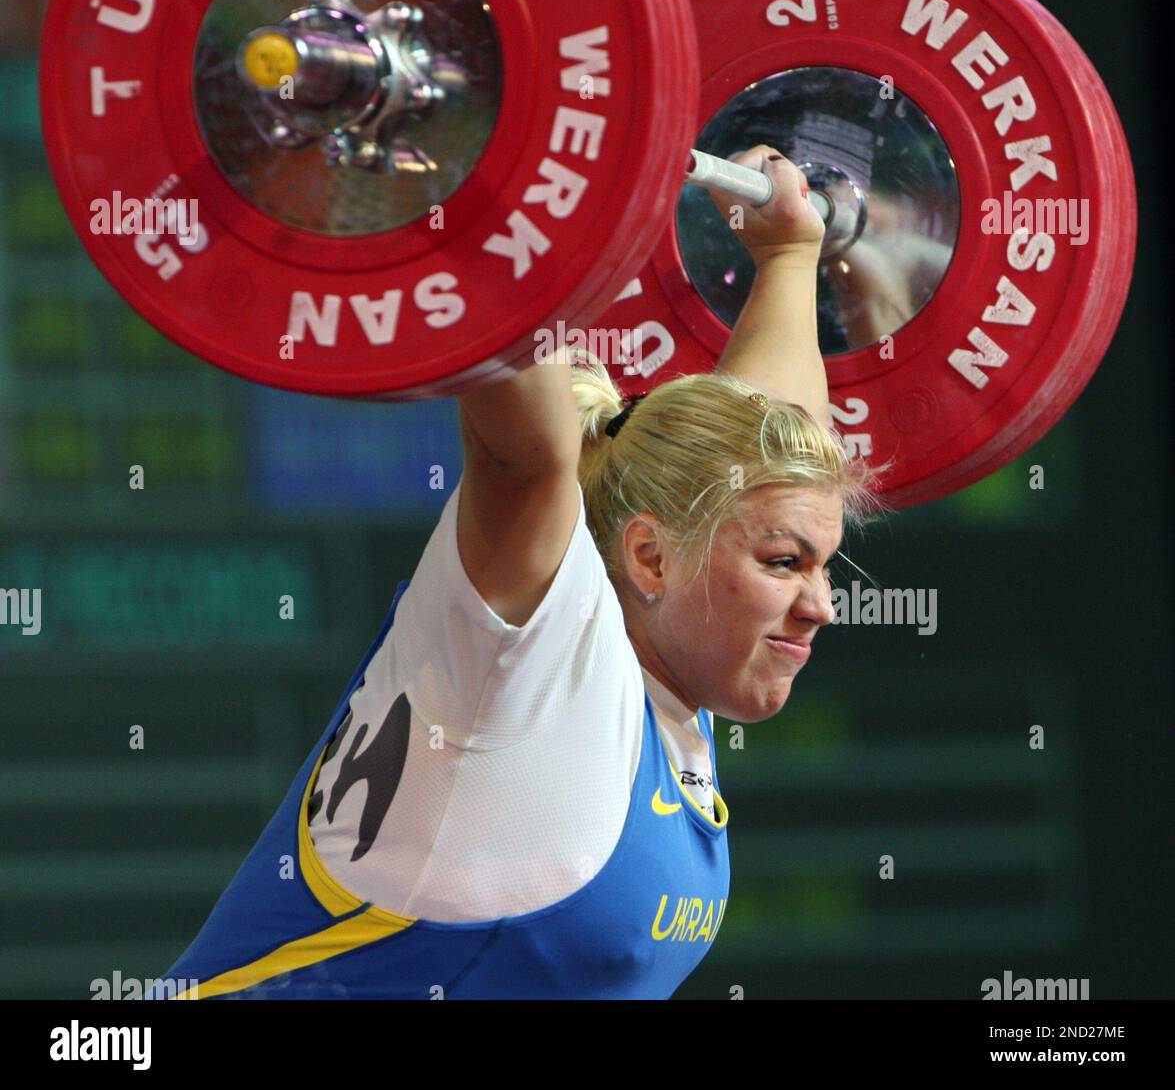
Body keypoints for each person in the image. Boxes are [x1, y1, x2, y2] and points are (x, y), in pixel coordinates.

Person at [152, 146, 876, 1000]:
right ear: (650, 556)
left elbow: (769, 442)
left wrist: (790, 254)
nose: (820, 606)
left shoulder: (679, 663)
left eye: (821, 567)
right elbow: (524, 460)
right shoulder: (528, 658)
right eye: (786, 566)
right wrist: (498, 186)